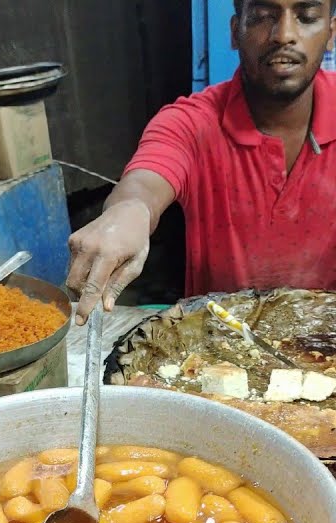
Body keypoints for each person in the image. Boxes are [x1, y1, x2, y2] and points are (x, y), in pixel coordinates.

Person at [67, 0, 336, 324]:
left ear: (331, 33)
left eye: (306, 17)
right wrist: (129, 212)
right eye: (264, 17)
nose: (284, 34)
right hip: (213, 342)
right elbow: (146, 181)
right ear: (235, 32)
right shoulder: (191, 123)